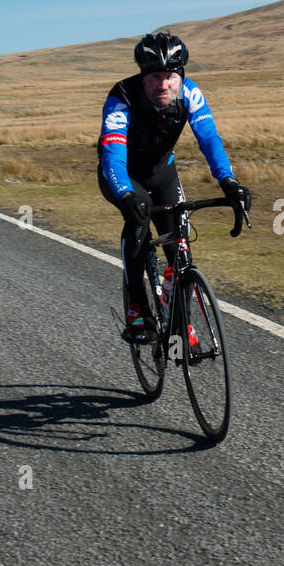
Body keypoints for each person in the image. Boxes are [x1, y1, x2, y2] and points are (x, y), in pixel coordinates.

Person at [98, 31, 250, 342]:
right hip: (123, 175)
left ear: (179, 75)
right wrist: (125, 194)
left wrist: (229, 182)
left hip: (162, 174)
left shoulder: (190, 93)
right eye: (155, 76)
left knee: (180, 249)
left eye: (170, 76)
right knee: (138, 224)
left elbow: (209, 139)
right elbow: (113, 154)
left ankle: (181, 323)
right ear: (144, 75)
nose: (163, 84)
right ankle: (137, 310)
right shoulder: (122, 97)